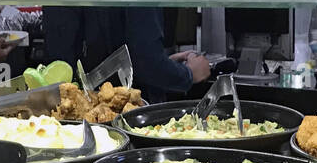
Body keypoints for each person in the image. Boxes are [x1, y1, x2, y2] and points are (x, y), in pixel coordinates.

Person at [44, 7, 210, 103]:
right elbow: (147, 62)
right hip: (129, 115)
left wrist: (166, 63)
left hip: (72, 111)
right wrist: (189, 74)